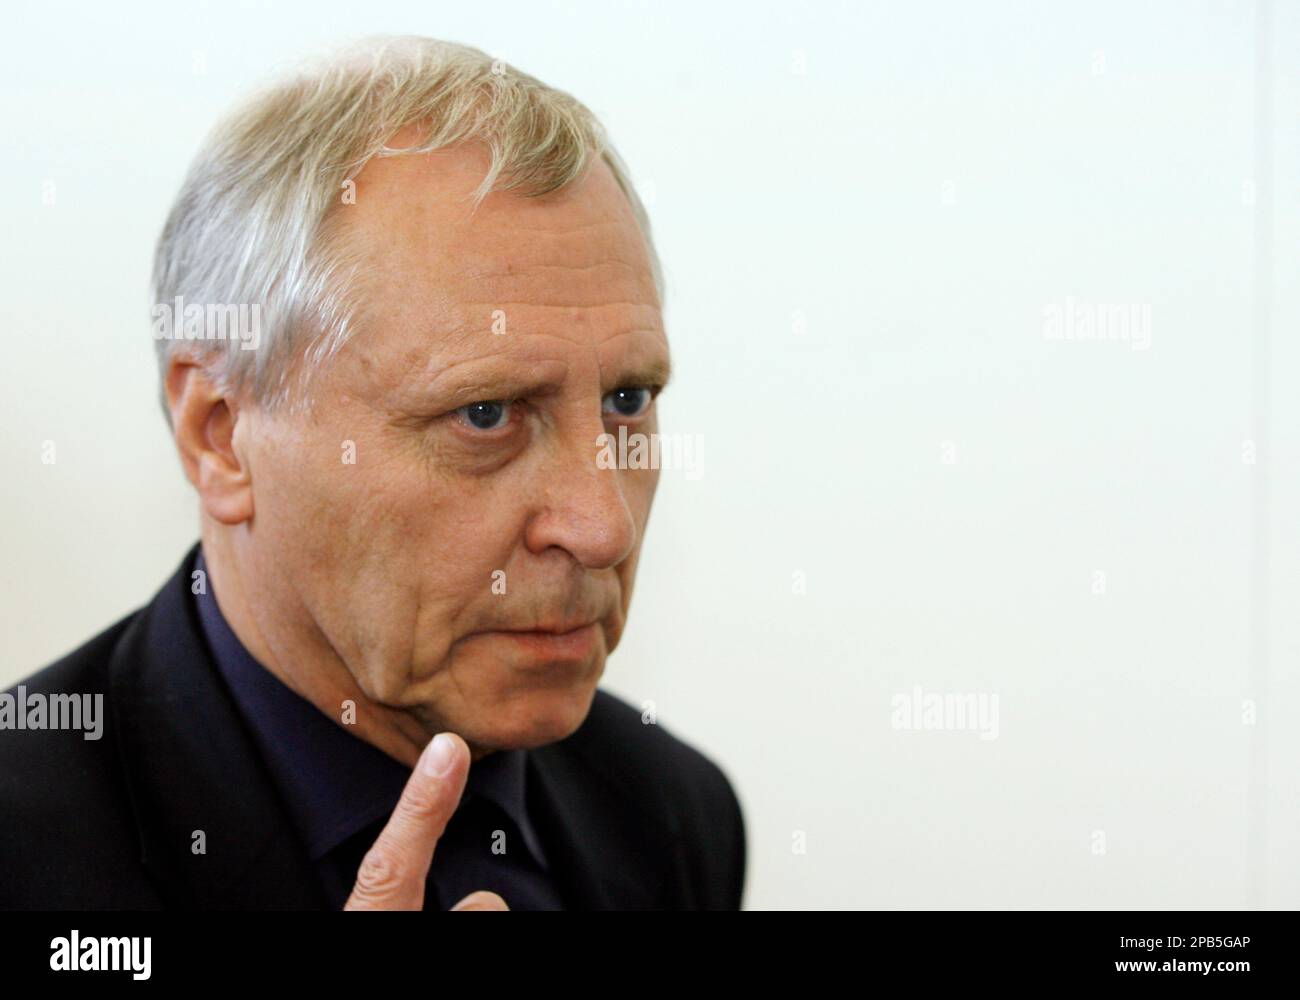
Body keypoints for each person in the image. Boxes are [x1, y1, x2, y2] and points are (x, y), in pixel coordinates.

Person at [0, 35, 745, 911]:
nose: (602, 527)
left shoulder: (673, 812)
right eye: (485, 415)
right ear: (221, 437)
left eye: (626, 401)